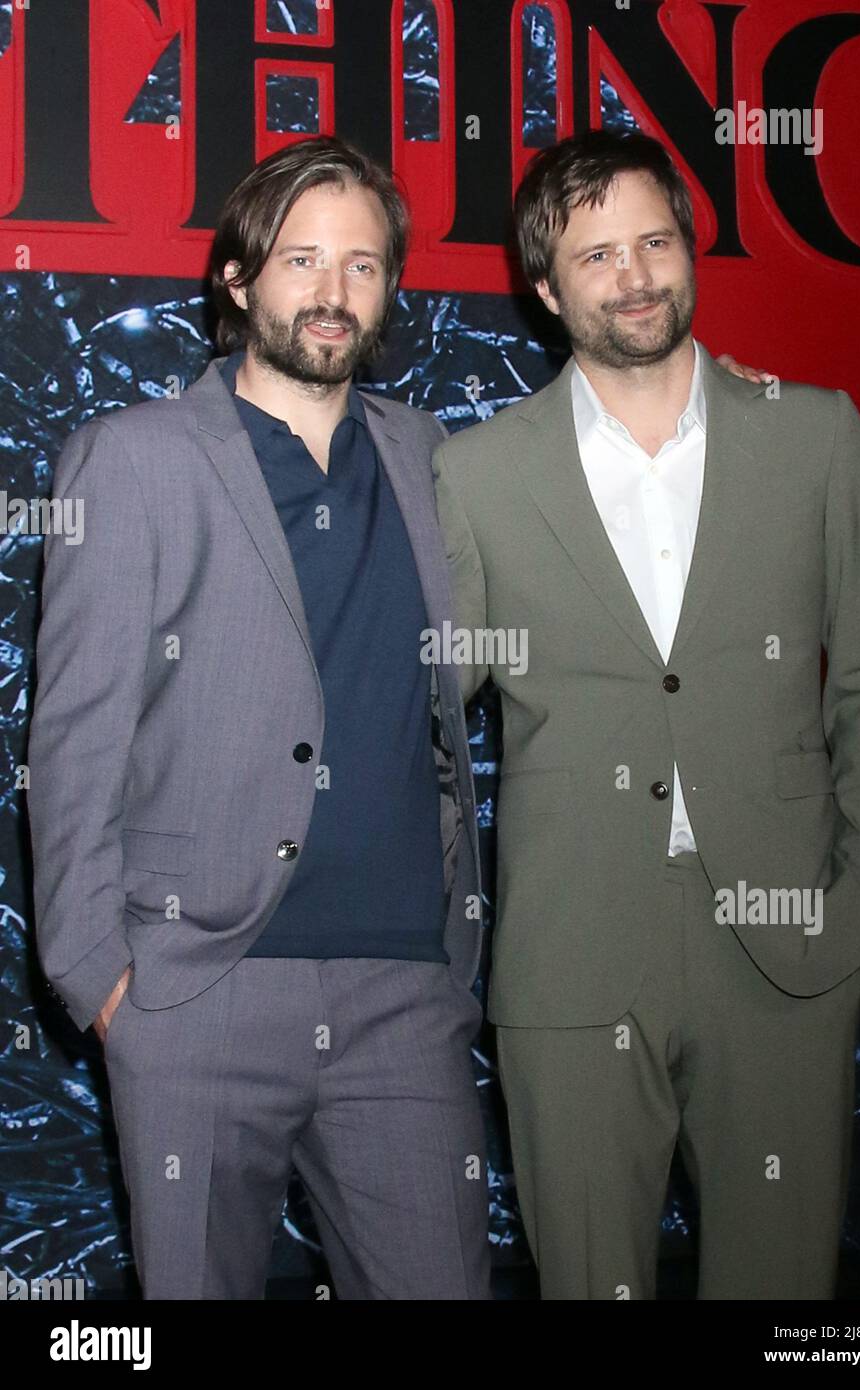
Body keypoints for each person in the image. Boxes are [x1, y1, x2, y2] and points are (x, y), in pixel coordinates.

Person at [432, 128, 860, 1299]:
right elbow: (431, 706)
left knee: (781, 1289)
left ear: (687, 251)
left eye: (653, 240)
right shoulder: (478, 472)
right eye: (596, 255)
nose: (635, 275)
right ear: (547, 291)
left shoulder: (814, 437)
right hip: (569, 951)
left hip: (788, 942)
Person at [27, 135, 489, 1300]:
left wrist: (454, 951)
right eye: (302, 260)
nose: (333, 293)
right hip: (197, 987)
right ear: (239, 280)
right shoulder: (130, 461)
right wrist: (104, 981)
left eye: (363, 266)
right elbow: (74, 739)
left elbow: (449, 716)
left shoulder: (430, 458)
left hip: (404, 991)